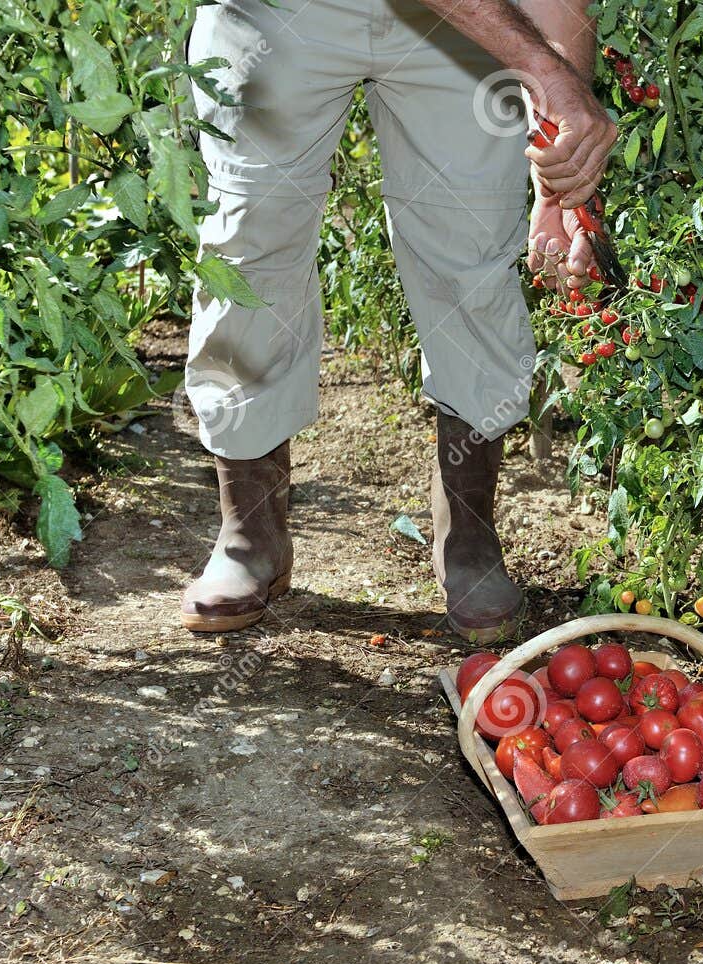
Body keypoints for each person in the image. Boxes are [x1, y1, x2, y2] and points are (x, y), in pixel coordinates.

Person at [179, 0, 616, 641]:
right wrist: (545, 72)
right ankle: (249, 531)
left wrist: (559, 170)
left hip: (463, 17)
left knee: (471, 247)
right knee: (252, 244)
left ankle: (469, 533)